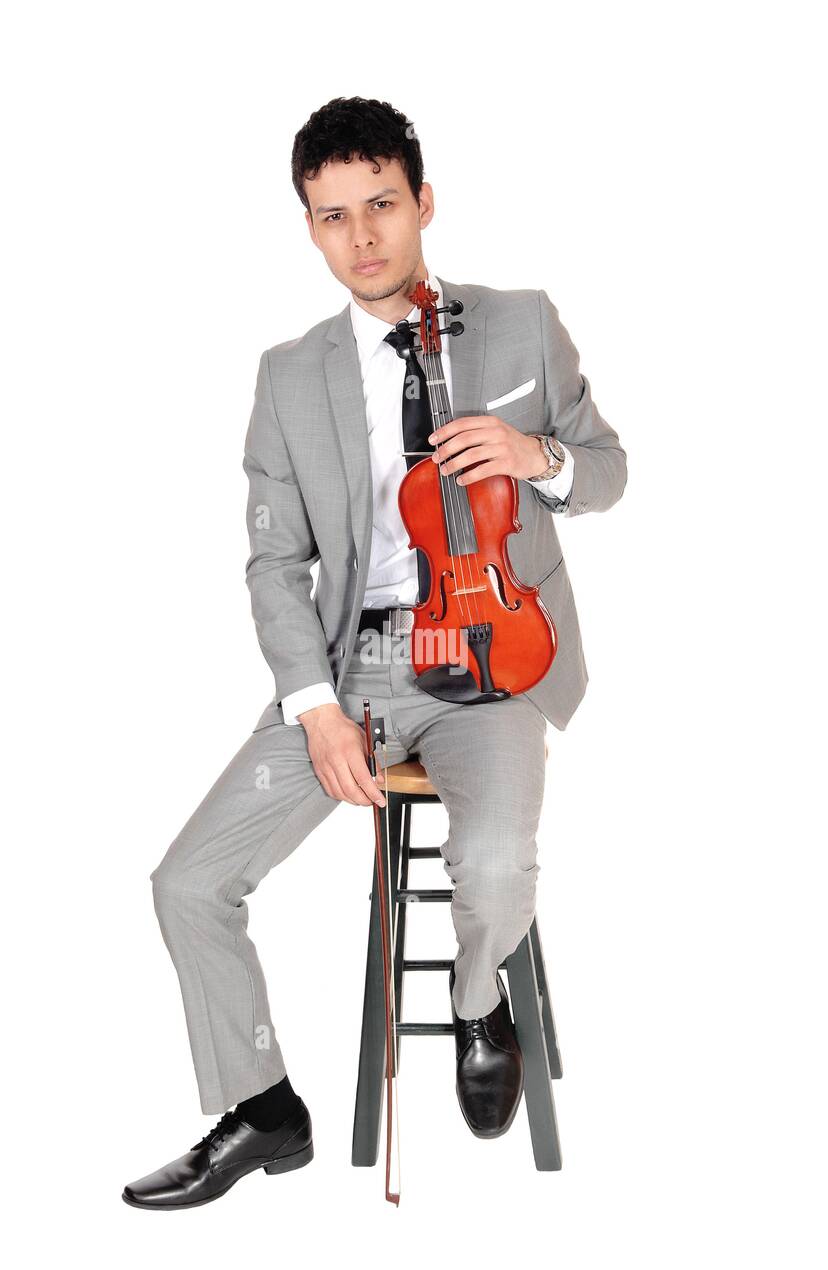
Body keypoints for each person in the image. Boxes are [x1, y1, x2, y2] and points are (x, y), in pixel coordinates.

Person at [122, 95, 627, 1211]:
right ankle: (262, 1109)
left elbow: (606, 469)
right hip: (355, 674)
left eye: (382, 206)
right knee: (188, 881)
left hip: (494, 662)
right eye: (333, 215)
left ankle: (481, 996)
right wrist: (316, 704)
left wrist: (535, 450)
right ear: (310, 225)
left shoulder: (519, 322)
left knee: (493, 867)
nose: (363, 238)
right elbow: (273, 568)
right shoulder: (287, 375)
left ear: (423, 202)